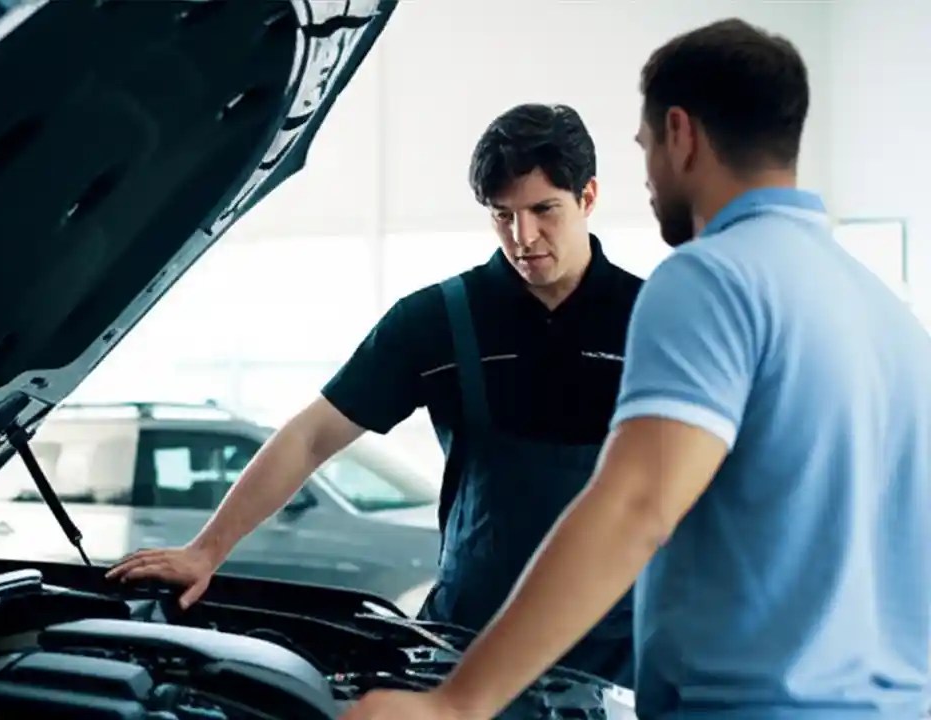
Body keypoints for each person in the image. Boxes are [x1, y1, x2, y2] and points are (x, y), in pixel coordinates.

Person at [341, 17, 931, 720]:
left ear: (680, 134)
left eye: (645, 145)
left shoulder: (709, 279)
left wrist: (459, 702)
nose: (647, 175)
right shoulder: (887, 315)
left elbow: (637, 503)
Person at [107, 103, 644, 684]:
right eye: (502, 215)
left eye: (545, 211)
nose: (524, 237)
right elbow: (312, 436)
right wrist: (207, 550)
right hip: (471, 645)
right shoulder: (438, 320)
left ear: (587, 197)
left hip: (622, 651)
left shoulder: (658, 316)